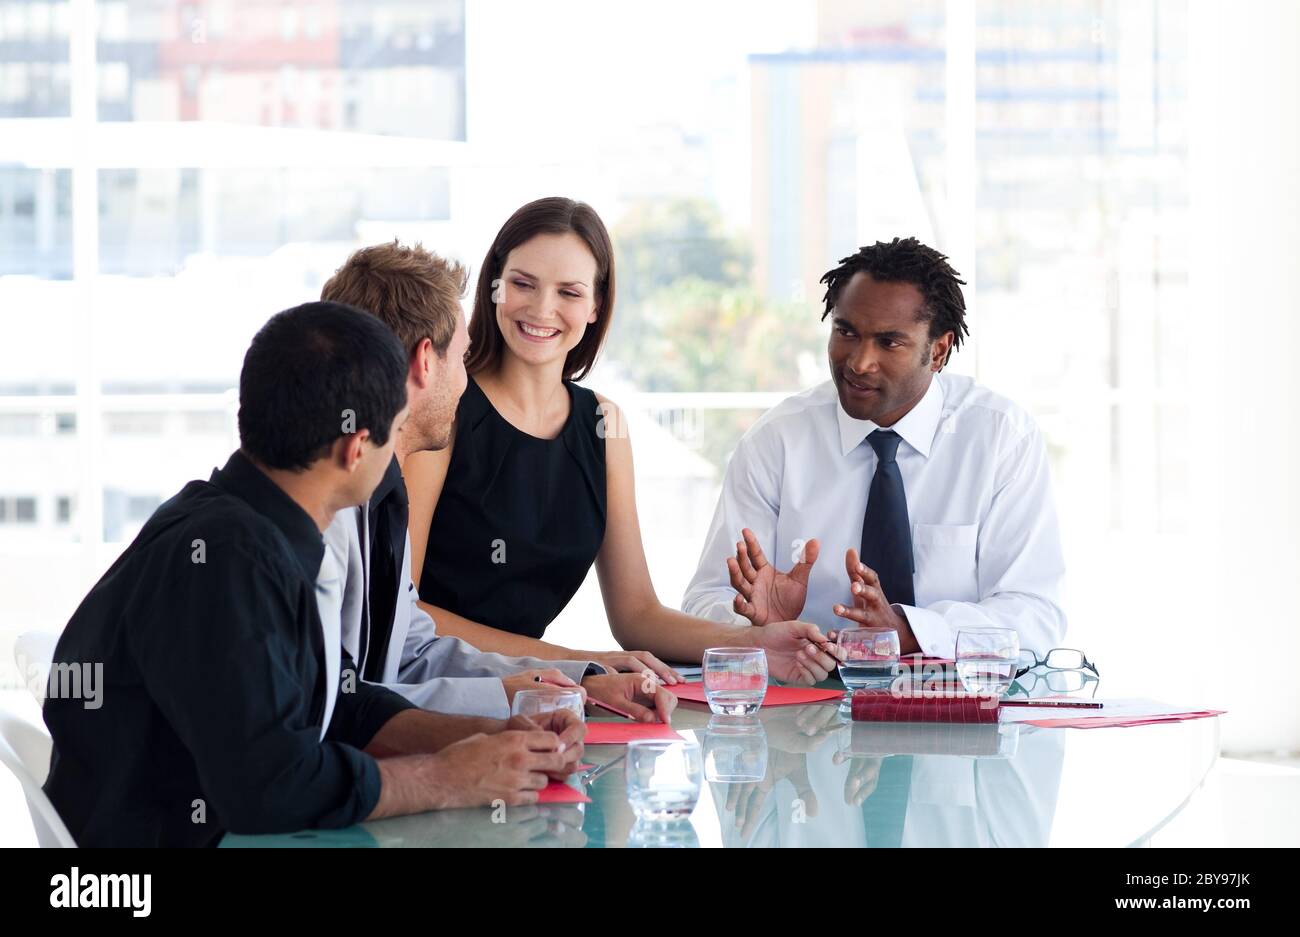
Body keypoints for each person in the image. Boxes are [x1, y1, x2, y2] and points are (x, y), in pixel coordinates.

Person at [42, 302, 583, 847]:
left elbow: (341, 703)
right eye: (394, 433)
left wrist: (497, 739)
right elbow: (270, 787)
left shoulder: (252, 527)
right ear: (354, 450)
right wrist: (446, 779)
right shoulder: (229, 561)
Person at [404, 197, 841, 686]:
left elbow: (637, 615)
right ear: (494, 288)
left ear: (595, 306)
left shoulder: (603, 424)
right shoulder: (442, 413)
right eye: (523, 284)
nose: (542, 308)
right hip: (432, 689)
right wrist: (571, 661)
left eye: (569, 292)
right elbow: (408, 614)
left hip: (532, 695)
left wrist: (754, 642)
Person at [318, 241, 675, 722]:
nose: (467, 382)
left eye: (569, 291)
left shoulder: (378, 494)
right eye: (462, 359)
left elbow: (412, 646)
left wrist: (572, 680)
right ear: (427, 362)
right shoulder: (326, 515)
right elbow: (332, 712)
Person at [682, 237, 1067, 659]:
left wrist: (911, 631)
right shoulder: (777, 441)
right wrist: (756, 626)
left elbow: (1034, 613)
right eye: (846, 332)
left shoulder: (1000, 439)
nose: (859, 362)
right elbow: (703, 602)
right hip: (808, 703)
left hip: (957, 707)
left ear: (937, 351)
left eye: (889, 342)